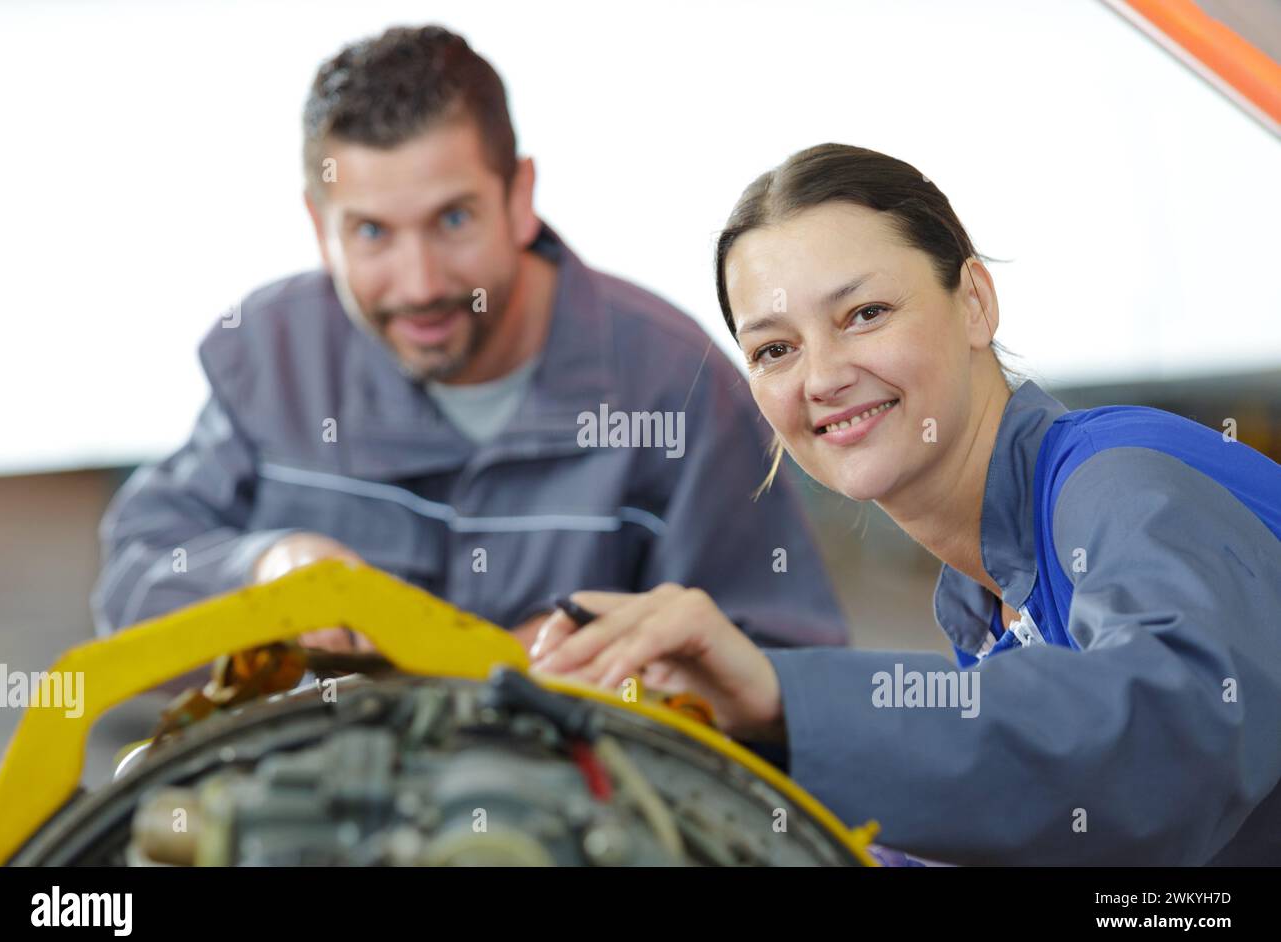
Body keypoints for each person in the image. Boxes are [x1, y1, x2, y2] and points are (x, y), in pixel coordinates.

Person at [531, 143, 1281, 865]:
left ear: (976, 304)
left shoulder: (1121, 482)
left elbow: (1168, 740)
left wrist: (784, 698)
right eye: (773, 350)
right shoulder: (984, 606)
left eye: (865, 313)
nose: (821, 377)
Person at [91, 26, 847, 668]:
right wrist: (269, 565)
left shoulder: (680, 391)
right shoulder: (267, 356)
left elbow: (787, 666)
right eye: (372, 232)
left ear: (519, 197)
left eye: (453, 220)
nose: (419, 285)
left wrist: (611, 670)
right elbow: (133, 581)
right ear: (320, 227)